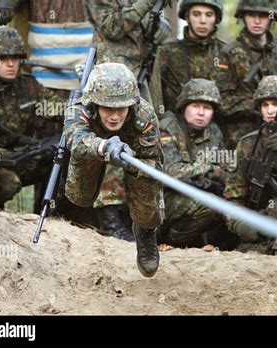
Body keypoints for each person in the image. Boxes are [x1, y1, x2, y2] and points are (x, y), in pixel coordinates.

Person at [64, 62, 164, 277]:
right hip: (94, 150)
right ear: (95, 105)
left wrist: (133, 164)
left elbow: (155, 162)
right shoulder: (79, 109)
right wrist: (103, 147)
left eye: (121, 108)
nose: (115, 115)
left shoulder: (144, 116)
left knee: (147, 180)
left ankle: (145, 231)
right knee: (78, 195)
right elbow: (74, 140)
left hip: (133, 156)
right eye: (108, 108)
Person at [87, 0, 171, 240]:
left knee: (144, 140)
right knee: (112, 141)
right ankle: (110, 214)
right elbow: (112, 26)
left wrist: (158, 22)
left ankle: (138, 215)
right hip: (110, 78)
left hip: (140, 75)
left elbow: (158, 32)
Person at [0, 27, 62, 210]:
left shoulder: (28, 86)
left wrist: (80, 109)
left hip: (19, 158)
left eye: (15, 58)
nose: (11, 64)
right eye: (4, 59)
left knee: (59, 162)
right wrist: (13, 157)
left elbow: (57, 108)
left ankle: (45, 214)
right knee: (8, 183)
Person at [223, 75, 277, 253]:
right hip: (257, 218)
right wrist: (237, 222)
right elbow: (233, 195)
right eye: (265, 105)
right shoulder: (248, 143)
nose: (271, 110)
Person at [158, 78, 229, 247]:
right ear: (184, 107)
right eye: (195, 106)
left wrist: (215, 175)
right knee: (208, 204)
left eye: (207, 108)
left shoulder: (214, 131)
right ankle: (170, 243)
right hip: (162, 198)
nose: (201, 113)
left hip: (193, 195)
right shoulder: (168, 128)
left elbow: (227, 170)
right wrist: (208, 168)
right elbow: (172, 173)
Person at [220, 0, 277, 149]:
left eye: (263, 16)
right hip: (239, 137)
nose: (257, 21)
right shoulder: (229, 53)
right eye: (251, 15)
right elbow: (221, 101)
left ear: (272, 18)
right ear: (243, 17)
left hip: (276, 134)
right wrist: (260, 103)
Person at [156, 0, 232, 115]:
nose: (203, 21)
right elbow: (156, 93)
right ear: (187, 17)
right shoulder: (166, 51)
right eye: (196, 14)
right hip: (174, 124)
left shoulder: (228, 53)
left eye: (209, 15)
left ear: (216, 18)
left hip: (221, 124)